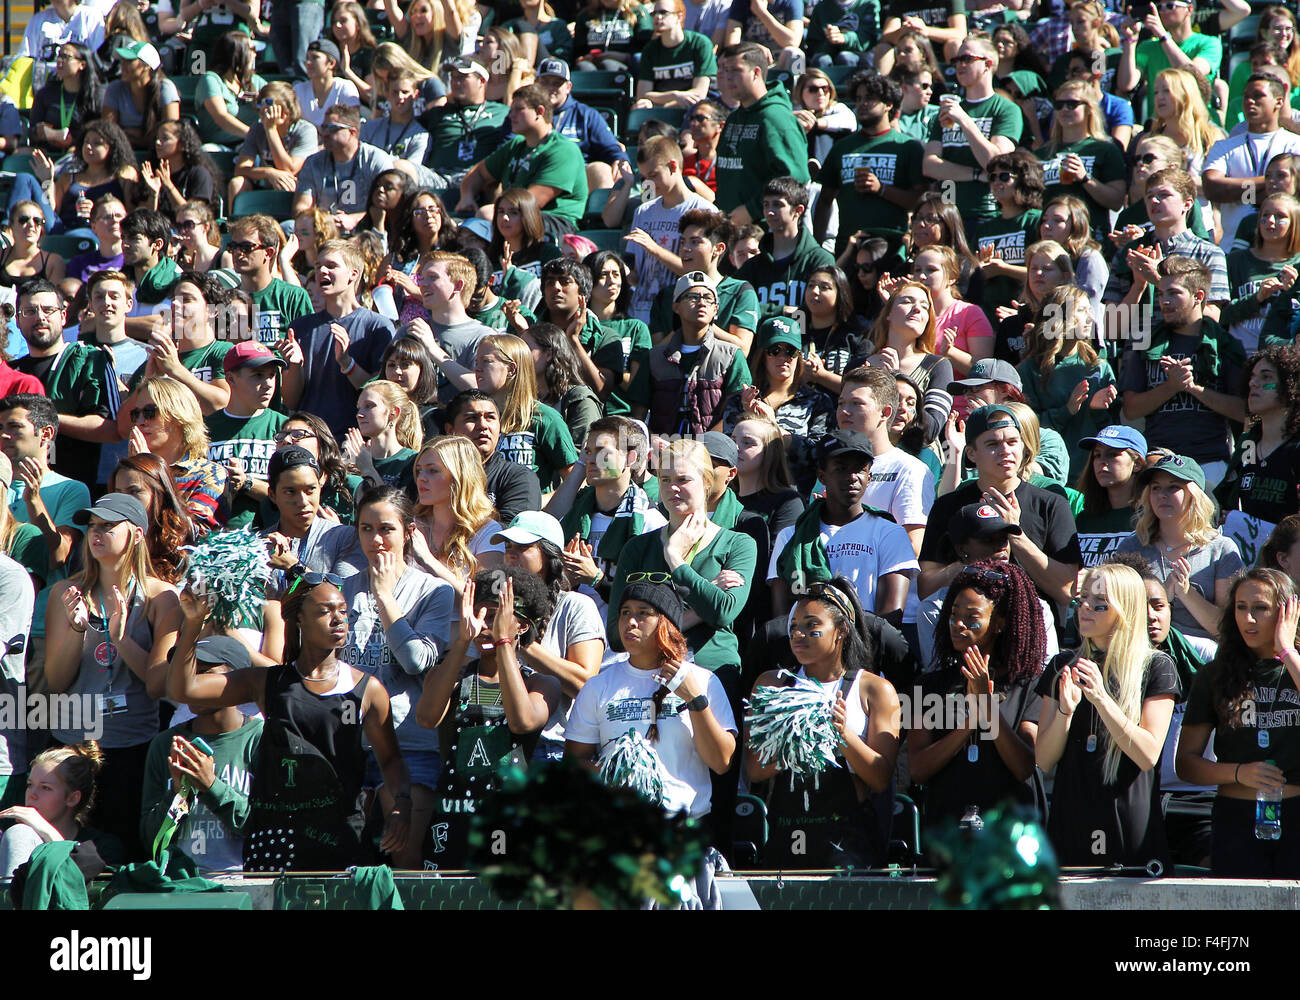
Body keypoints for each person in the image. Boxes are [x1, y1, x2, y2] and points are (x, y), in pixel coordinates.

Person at [169, 569, 410, 870]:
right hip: (274, 842)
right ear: (299, 620)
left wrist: (401, 805)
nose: (338, 619)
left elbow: (391, 760)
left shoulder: (368, 690)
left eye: (343, 611)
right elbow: (185, 689)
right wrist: (193, 623)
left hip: (341, 840)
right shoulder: (267, 682)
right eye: (324, 612)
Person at [44, 493, 181, 860]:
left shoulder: (161, 598)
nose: (96, 533)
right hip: (71, 747)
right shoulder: (65, 592)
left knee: (124, 856)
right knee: (66, 858)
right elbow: (55, 682)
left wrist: (120, 638)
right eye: (92, 527)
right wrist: (76, 632)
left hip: (132, 748)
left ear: (136, 533)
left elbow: (158, 684)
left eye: (108, 526)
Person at [569, 575, 736, 842]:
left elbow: (721, 762)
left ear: (666, 623)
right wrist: (612, 774)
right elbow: (574, 762)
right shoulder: (598, 686)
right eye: (625, 613)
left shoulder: (703, 680)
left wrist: (695, 700)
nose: (630, 622)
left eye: (643, 613)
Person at [1036, 562, 1178, 869]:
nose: (1085, 607)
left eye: (1099, 603)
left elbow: (1147, 754)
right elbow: (1044, 760)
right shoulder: (1063, 664)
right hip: (1071, 818)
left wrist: (1101, 699)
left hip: (1128, 823)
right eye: (1082, 599)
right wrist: (1065, 710)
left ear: (1125, 610)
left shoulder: (1156, 666)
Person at [416, 568, 560, 867]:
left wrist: (504, 642)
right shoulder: (452, 673)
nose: (485, 626)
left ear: (521, 625)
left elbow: (522, 721)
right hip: (451, 822)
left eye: (495, 616)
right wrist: (460, 643)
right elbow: (427, 718)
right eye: (480, 615)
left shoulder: (540, 684)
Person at [1177, 568, 1300, 876]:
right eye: (1241, 608)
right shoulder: (1214, 674)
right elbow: (1186, 764)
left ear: (1286, 611)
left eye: (1260, 608)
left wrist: (1286, 650)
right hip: (1236, 817)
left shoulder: (1295, 667)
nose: (1248, 619)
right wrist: (1239, 773)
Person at [911, 559, 1046, 838]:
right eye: (952, 616)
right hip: (948, 835)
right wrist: (969, 723)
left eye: (972, 618)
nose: (958, 625)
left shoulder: (1030, 684)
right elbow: (918, 769)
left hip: (1010, 836)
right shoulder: (930, 686)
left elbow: (1023, 767)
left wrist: (987, 707)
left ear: (999, 623)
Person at [920, 404, 1082, 607]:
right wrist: (968, 562)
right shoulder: (949, 506)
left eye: (1012, 442)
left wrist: (1016, 535)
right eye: (992, 444)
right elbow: (925, 588)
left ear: (1023, 447)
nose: (1005, 451)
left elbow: (1068, 591)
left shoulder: (1051, 504)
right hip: (966, 630)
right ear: (971, 453)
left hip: (1033, 630)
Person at [140, 637, 263, 876]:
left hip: (244, 885)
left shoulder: (262, 739)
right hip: (178, 885)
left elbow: (267, 829)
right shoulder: (165, 744)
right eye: (188, 671)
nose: (192, 681)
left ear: (238, 679)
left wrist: (211, 786)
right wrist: (176, 795)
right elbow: (148, 839)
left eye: (205, 672)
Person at [769, 427, 916, 623]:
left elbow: (890, 620)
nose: (852, 476)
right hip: (805, 646)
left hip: (866, 647)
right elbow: (782, 619)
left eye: (860, 469)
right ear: (822, 477)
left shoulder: (890, 533)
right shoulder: (791, 536)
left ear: (869, 477)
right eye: (841, 468)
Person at [1118, 256, 1245, 482]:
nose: (1164, 301)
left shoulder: (1226, 345)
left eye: (1173, 293)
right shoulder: (1144, 341)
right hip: (1159, 460)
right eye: (1160, 294)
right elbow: (1131, 409)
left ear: (1198, 297)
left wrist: (1193, 388)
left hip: (1210, 462)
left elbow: (1243, 411)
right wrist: (1171, 387)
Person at [497, 510, 605, 759]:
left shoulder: (575, 606)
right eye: (508, 546)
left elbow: (585, 684)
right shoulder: (496, 606)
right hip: (495, 739)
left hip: (551, 747)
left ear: (548, 554)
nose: (511, 554)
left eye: (523, 546)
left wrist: (517, 641)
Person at [1117, 452, 1245, 644]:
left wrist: (1186, 593)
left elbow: (1227, 629)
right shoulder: (1132, 546)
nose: (1162, 495)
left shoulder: (1221, 550)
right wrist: (1161, 597)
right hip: (1144, 650)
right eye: (1156, 488)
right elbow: (1120, 614)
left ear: (1195, 496)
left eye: (1173, 488)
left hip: (1204, 659)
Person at [283, 239, 397, 439]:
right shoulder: (300, 328)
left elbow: (381, 396)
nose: (322, 272)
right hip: (309, 439)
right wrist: (294, 367)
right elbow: (291, 401)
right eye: (318, 266)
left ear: (353, 274)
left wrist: (347, 362)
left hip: (355, 442)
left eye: (331, 265)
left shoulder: (378, 327)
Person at [814, 70, 924, 260]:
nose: (862, 104)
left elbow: (920, 201)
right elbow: (825, 199)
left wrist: (881, 189)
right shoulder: (842, 147)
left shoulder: (908, 147)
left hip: (891, 248)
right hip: (849, 247)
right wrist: (816, 245)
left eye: (870, 98)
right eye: (858, 99)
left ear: (889, 104)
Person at [458, 84, 589, 240]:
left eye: (519, 110)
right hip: (515, 213)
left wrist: (496, 211)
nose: (511, 115)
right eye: (511, 110)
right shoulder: (516, 145)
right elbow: (478, 173)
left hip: (555, 223)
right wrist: (467, 195)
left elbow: (531, 203)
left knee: (487, 216)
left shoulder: (563, 150)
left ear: (539, 112)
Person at [629, 271, 753, 435]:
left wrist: (707, 445)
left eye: (708, 298)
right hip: (663, 454)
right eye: (693, 297)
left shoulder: (731, 355)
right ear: (676, 306)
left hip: (713, 455)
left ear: (715, 309)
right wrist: (653, 442)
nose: (701, 302)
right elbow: (636, 418)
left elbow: (738, 412)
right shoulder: (654, 357)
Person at [722, 315, 834, 494]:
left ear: (799, 355)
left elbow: (820, 455)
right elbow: (727, 455)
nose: (783, 357)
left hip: (796, 498)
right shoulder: (739, 402)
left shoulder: (819, 402)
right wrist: (748, 418)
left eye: (790, 351)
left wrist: (774, 428)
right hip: (745, 499)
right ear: (762, 355)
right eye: (775, 350)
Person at [921, 35, 1021, 232]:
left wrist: (964, 120)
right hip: (946, 216)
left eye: (967, 59)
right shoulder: (947, 111)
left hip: (985, 214)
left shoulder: (1006, 109)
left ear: (988, 64)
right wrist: (975, 174)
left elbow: (995, 163)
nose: (960, 65)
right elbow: (930, 165)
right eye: (957, 60)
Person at [1018, 284, 1118, 480]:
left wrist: (1096, 410)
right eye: (1082, 311)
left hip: (1093, 478)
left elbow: (1113, 430)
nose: (1091, 318)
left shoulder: (1099, 368)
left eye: (1090, 310)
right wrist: (1067, 410)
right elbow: (1026, 429)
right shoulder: (1029, 370)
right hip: (1049, 473)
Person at [1217, 347, 1300, 567]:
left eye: (1266, 378)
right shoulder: (1247, 444)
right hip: (1250, 570)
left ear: (1291, 386)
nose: (1254, 384)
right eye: (1252, 377)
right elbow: (1227, 498)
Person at [838, 365, 933, 557]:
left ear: (885, 412)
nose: (845, 411)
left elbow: (911, 547)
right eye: (841, 403)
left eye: (857, 403)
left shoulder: (910, 470)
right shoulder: (831, 465)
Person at [714, 42, 811, 226]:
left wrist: (753, 210)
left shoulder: (776, 118)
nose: (728, 77)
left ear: (756, 72)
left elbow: (794, 178)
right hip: (731, 228)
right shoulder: (734, 118)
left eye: (736, 70)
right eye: (726, 70)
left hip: (766, 231)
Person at [0, 743, 123, 880]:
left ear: (72, 798)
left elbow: (75, 887)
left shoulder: (102, 847)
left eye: (45, 788)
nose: (31, 794)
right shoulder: (15, 837)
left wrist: (47, 832)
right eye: (30, 785)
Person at [1205, 74, 1300, 251]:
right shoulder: (1224, 147)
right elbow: (1213, 189)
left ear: (1278, 102)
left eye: (1258, 96)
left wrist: (1237, 192)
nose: (1249, 101)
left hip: (1286, 252)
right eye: (1246, 96)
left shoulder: (1295, 144)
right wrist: (1269, 184)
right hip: (1233, 250)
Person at [647, 209, 760, 354]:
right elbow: (655, 355)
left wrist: (705, 326)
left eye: (695, 242)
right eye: (682, 242)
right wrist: (684, 328)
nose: (685, 249)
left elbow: (742, 350)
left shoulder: (740, 291)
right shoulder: (666, 295)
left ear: (718, 249)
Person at [204, 342, 289, 530]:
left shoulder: (285, 426)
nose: (268, 384)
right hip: (215, 541)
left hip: (271, 537)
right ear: (231, 379)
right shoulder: (204, 428)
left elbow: (295, 495)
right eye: (258, 375)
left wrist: (247, 483)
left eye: (272, 375)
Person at [1035, 80, 1127, 243]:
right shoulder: (1042, 153)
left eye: (1072, 104)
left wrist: (1085, 178)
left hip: (1090, 238)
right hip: (1050, 241)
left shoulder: (1105, 149)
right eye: (1059, 105)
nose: (1064, 109)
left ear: (1089, 108)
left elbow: (1116, 201)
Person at [862, 281, 953, 445]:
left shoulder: (938, 366)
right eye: (907, 301)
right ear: (888, 312)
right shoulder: (860, 365)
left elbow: (931, 430)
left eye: (925, 306)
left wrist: (895, 380)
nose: (918, 309)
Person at [411, 435, 505, 588]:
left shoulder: (487, 531)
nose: (421, 478)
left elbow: (486, 600)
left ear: (460, 477)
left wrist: (427, 560)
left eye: (432, 471)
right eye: (419, 470)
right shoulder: (411, 525)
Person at [737, 176, 835, 320]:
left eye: (777, 205)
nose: (769, 212)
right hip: (761, 340)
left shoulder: (820, 259)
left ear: (798, 210)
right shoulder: (753, 266)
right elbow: (737, 307)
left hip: (803, 339)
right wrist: (779, 311)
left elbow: (824, 311)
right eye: (766, 205)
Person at [418, 56, 511, 203]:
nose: (455, 82)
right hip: (438, 177)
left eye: (462, 77)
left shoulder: (503, 113)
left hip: (479, 180)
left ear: (482, 81)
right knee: (402, 169)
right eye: (453, 77)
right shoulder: (437, 114)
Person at [293, 104, 395, 233]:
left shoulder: (376, 160)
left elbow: (390, 208)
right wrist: (326, 221)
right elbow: (300, 208)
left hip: (365, 232)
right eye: (323, 127)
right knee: (289, 227)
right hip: (324, 231)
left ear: (352, 132)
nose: (324, 133)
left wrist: (355, 219)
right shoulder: (313, 163)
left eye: (332, 128)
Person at [1118, 0, 1222, 123]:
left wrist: (1163, 35)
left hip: (1197, 121)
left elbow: (1193, 74)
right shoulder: (1148, 47)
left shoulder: (1209, 43)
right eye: (1159, 7)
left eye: (1170, 6)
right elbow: (1126, 84)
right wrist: (1131, 41)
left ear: (1189, 9)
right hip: (1160, 125)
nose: (1163, 11)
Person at [1222, 192, 1300, 353]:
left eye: (1280, 216)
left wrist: (1291, 292)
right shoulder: (1236, 261)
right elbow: (1221, 315)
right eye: (1265, 215)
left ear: (1295, 223)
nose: (1270, 221)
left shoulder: (1298, 266)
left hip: (1283, 359)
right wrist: (1258, 298)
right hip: (1237, 358)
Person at [975, 150, 1045, 317]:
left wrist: (1004, 269)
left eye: (1004, 176)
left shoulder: (1037, 221)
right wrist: (980, 268)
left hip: (1027, 313)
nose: (997, 182)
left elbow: (1051, 273)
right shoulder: (984, 228)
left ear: (1023, 180)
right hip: (989, 316)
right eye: (992, 177)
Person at [229, 82, 316, 208]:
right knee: (237, 183)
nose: (264, 110)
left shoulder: (305, 130)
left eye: (270, 104)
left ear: (286, 111)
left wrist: (271, 130)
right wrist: (268, 172)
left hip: (296, 191)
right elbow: (240, 169)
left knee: (287, 185)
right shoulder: (257, 129)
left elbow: (289, 169)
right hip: (268, 187)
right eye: (261, 104)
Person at [1073, 425, 1148, 569]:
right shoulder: (1084, 519)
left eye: (1113, 454)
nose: (1102, 461)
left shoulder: (1148, 517)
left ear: (1137, 463)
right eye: (1097, 455)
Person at [911, 245, 992, 377]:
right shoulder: (910, 314)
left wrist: (951, 353)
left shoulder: (970, 313)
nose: (921, 276)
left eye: (931, 270)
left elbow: (984, 371)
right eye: (917, 270)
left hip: (959, 395)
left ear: (952, 277)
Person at [799, 264, 872, 393]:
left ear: (840, 293)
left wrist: (821, 376)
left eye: (824, 287)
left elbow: (864, 388)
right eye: (811, 285)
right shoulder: (795, 330)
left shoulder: (858, 335)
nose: (815, 291)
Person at [731, 414, 804, 537]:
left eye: (747, 442)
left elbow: (781, 553)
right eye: (732, 441)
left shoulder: (788, 502)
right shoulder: (722, 498)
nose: (736, 448)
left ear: (769, 452)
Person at [635, 3, 715, 111]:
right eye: (654, 13)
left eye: (663, 12)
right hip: (662, 111)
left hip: (692, 111)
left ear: (679, 16)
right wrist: (674, 95)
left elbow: (699, 94)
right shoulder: (650, 50)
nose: (657, 17)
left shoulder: (700, 43)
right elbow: (643, 95)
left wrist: (663, 105)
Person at [101, 41, 179, 150]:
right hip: (123, 150)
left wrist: (137, 137)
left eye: (129, 61)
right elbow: (108, 130)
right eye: (122, 60)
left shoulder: (166, 88)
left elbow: (171, 133)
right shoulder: (114, 89)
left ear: (146, 66)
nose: (122, 65)